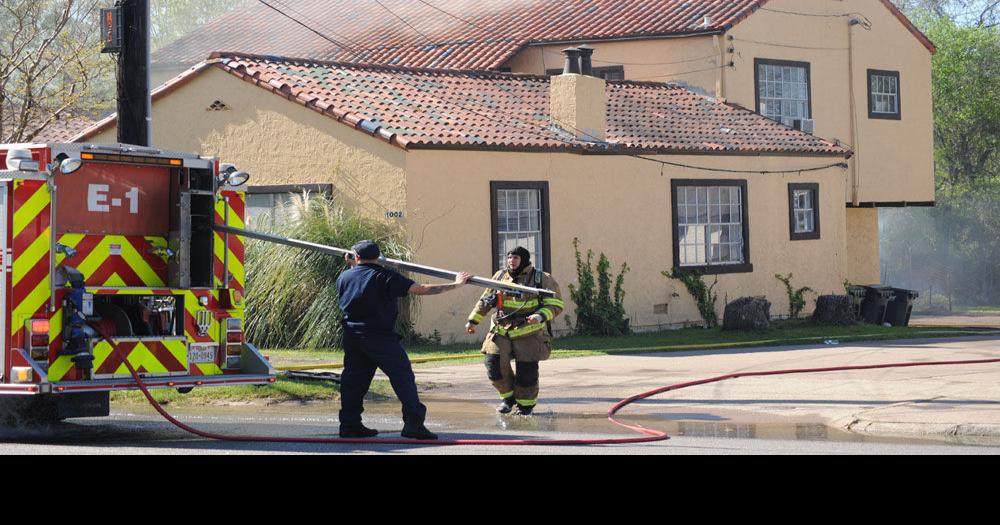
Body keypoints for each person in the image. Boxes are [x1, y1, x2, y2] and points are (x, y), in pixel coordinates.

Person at [337, 240, 472, 440]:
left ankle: (350, 425)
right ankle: (413, 424)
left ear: (357, 257)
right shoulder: (385, 276)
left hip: (353, 337)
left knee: (353, 382)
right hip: (380, 338)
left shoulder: (345, 276)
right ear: (378, 257)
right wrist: (457, 284)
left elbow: (360, 275)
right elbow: (422, 289)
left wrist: (353, 265)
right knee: (403, 378)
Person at [466, 247, 564, 416]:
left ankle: (525, 406)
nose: (511, 260)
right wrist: (472, 320)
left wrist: (539, 316)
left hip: (529, 332)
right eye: (509, 257)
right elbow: (485, 300)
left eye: (516, 257)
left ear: (524, 259)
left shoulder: (542, 278)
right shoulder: (499, 276)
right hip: (501, 329)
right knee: (493, 365)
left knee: (527, 372)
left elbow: (556, 304)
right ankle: (508, 398)